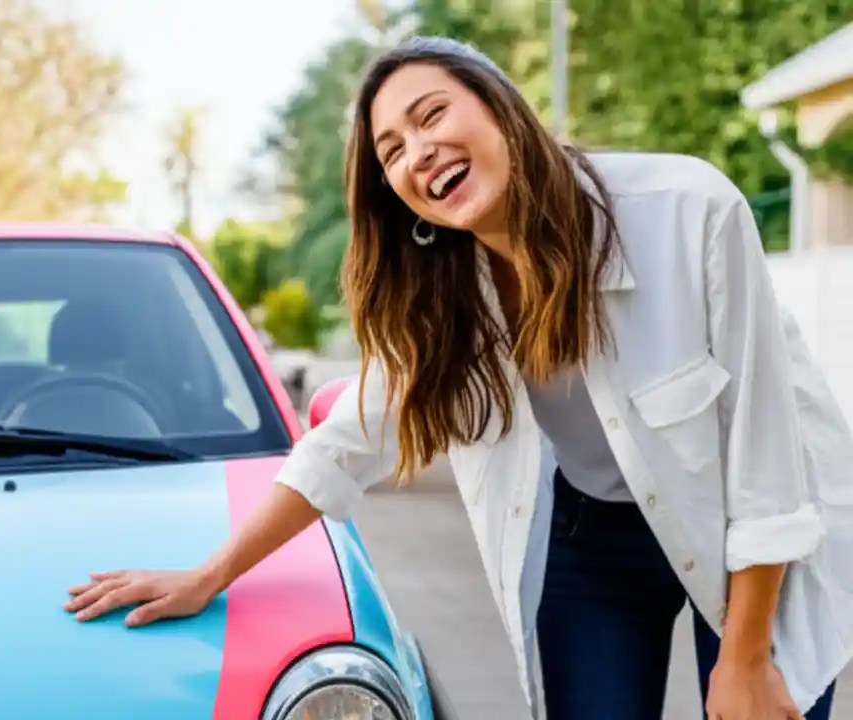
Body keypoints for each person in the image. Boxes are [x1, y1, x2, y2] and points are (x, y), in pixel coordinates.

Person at [64, 36, 853, 720]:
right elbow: (343, 445)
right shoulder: (446, 300)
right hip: (596, 538)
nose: (417, 152)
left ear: (502, 107)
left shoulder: (690, 211)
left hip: (762, 537)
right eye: (392, 150)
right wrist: (209, 575)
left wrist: (745, 660)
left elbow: (763, 460)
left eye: (432, 115)